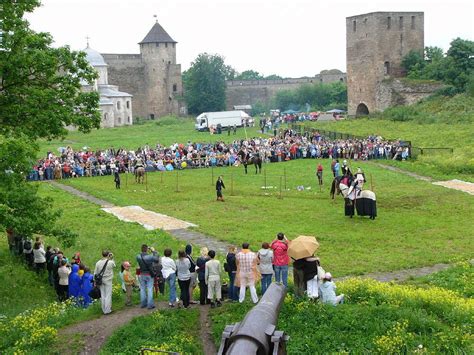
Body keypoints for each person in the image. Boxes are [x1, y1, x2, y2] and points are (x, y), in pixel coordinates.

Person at [136, 244, 159, 309]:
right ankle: (150, 305)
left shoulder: (138, 256)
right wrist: (153, 251)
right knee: (149, 289)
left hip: (141, 274)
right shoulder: (149, 257)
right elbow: (157, 259)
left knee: (142, 289)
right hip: (149, 274)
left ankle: (143, 304)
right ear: (146, 250)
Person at [94, 250, 116, 315]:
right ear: (108, 255)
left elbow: (95, 273)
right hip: (108, 280)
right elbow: (114, 266)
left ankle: (103, 309)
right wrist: (112, 258)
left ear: (102, 255)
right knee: (108, 295)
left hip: (101, 280)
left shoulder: (98, 263)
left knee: (103, 295)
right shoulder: (110, 262)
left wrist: (95, 281)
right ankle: (107, 310)